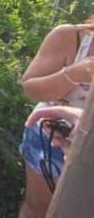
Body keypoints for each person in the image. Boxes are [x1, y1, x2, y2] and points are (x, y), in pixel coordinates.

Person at [19, 15, 94, 217]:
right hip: (49, 141)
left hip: (90, 156)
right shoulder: (71, 37)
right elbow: (30, 89)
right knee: (37, 209)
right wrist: (74, 73)